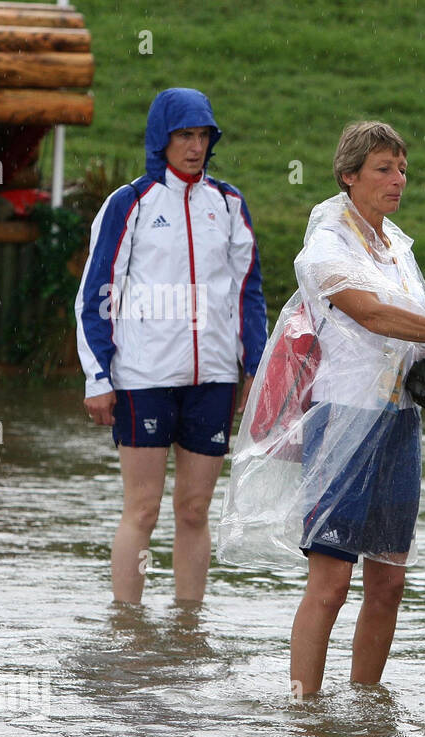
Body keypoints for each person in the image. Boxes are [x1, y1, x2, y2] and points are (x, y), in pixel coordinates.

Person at [218, 121, 425, 696]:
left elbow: (411, 333)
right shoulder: (326, 242)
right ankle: (306, 720)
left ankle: (366, 714)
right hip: (345, 418)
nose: (397, 180)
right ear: (348, 176)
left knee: (389, 581)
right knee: (330, 580)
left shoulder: (396, 246)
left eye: (402, 169)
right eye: (383, 169)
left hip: (400, 420)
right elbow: (370, 315)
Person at [75, 87, 267, 605]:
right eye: (185, 134)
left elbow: (249, 291)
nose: (195, 146)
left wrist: (257, 368)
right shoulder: (129, 202)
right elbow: (96, 295)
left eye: (203, 135)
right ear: (162, 138)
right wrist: (98, 377)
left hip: (214, 381)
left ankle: (188, 630)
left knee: (195, 508)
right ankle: (127, 624)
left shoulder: (228, 204)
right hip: (143, 378)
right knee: (142, 509)